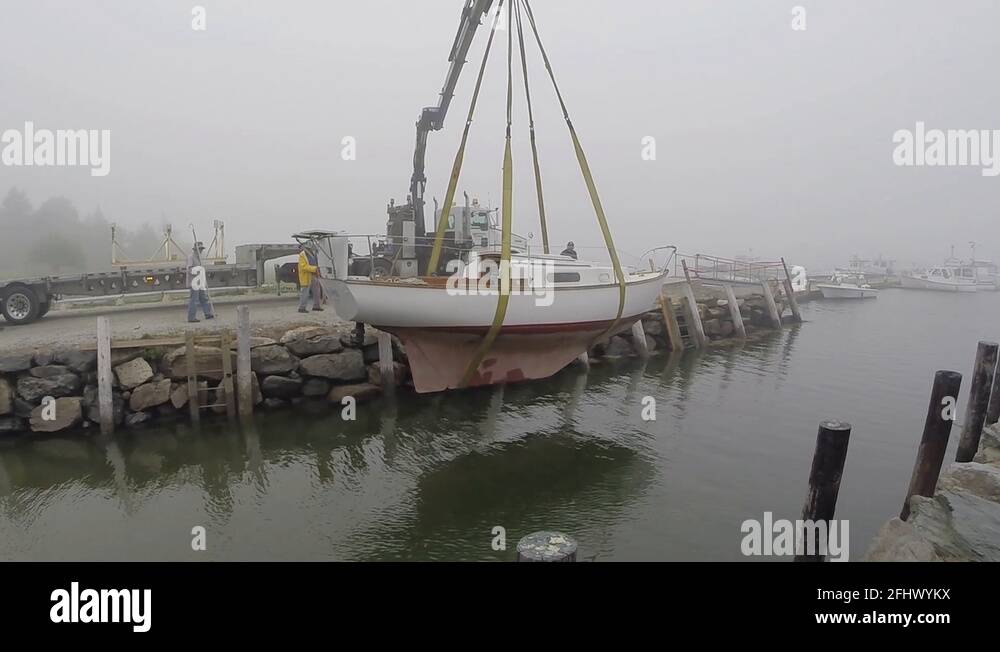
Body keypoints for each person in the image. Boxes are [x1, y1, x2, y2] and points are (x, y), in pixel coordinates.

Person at [187, 242, 215, 323]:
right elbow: (189, 269)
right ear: (196, 249)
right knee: (194, 299)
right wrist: (198, 271)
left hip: (201, 282)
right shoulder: (191, 257)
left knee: (204, 298)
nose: (201, 250)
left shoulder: (200, 258)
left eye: (202, 249)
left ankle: (208, 313)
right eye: (200, 249)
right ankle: (191, 317)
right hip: (194, 282)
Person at [297, 243, 320, 313]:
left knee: (317, 291)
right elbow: (303, 267)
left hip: (314, 275)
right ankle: (301, 308)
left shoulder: (313, 253)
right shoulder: (302, 255)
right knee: (305, 292)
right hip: (306, 275)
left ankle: (316, 306)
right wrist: (315, 269)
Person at [306, 246, 324, 311]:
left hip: (314, 274)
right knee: (316, 290)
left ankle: (317, 305)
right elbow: (313, 265)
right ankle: (316, 306)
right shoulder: (310, 256)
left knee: (317, 290)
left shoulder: (312, 255)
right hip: (313, 274)